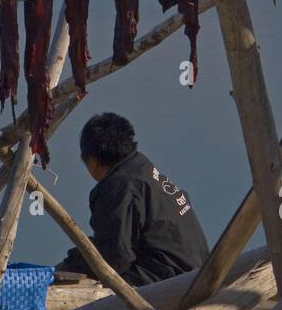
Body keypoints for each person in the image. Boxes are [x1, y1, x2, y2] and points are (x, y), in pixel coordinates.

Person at [55, 112, 209, 286]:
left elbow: (117, 257)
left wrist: (70, 266)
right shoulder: (140, 166)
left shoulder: (120, 185)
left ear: (93, 160)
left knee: (66, 280)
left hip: (170, 280)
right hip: (196, 270)